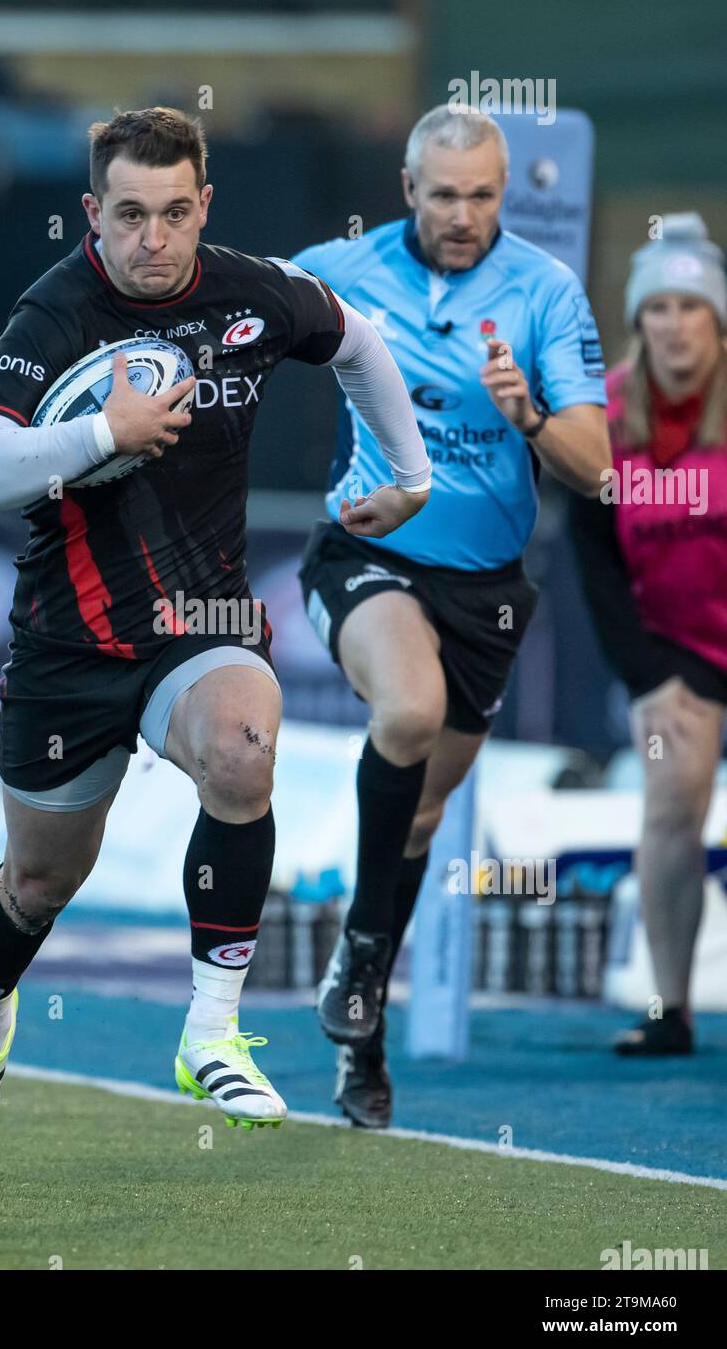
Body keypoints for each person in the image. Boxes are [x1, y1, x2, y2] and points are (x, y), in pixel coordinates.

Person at [0, 106, 433, 1160]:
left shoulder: (256, 293)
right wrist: (101, 433)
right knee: (36, 884)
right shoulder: (54, 311)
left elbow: (360, 342)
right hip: (66, 642)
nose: (150, 240)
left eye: (172, 213)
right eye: (127, 215)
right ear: (92, 214)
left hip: (198, 624)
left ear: (203, 204)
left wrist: (411, 475)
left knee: (243, 751)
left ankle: (210, 1032)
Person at [293, 104, 610, 1127]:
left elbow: (595, 467)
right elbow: (226, 304)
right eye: (443, 194)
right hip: (365, 549)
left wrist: (524, 414)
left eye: (481, 195)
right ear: (405, 189)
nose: (463, 214)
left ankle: (360, 1000)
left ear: (502, 193)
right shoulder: (342, 272)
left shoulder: (543, 293)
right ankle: (364, 966)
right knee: (408, 711)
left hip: (485, 590)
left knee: (422, 816)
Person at [569, 213, 727, 1056]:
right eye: (657, 307)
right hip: (672, 641)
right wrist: (645, 679)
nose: (674, 323)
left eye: (690, 307)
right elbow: (591, 559)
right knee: (673, 801)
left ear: (717, 320)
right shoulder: (604, 414)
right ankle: (673, 1007)